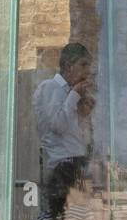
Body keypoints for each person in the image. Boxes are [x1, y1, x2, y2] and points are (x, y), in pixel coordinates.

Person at [32, 43, 95, 190]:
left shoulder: (71, 93)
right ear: (68, 66)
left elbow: (73, 135)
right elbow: (57, 125)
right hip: (60, 167)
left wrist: (82, 115)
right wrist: (74, 95)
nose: (87, 71)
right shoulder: (49, 87)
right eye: (83, 64)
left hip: (77, 165)